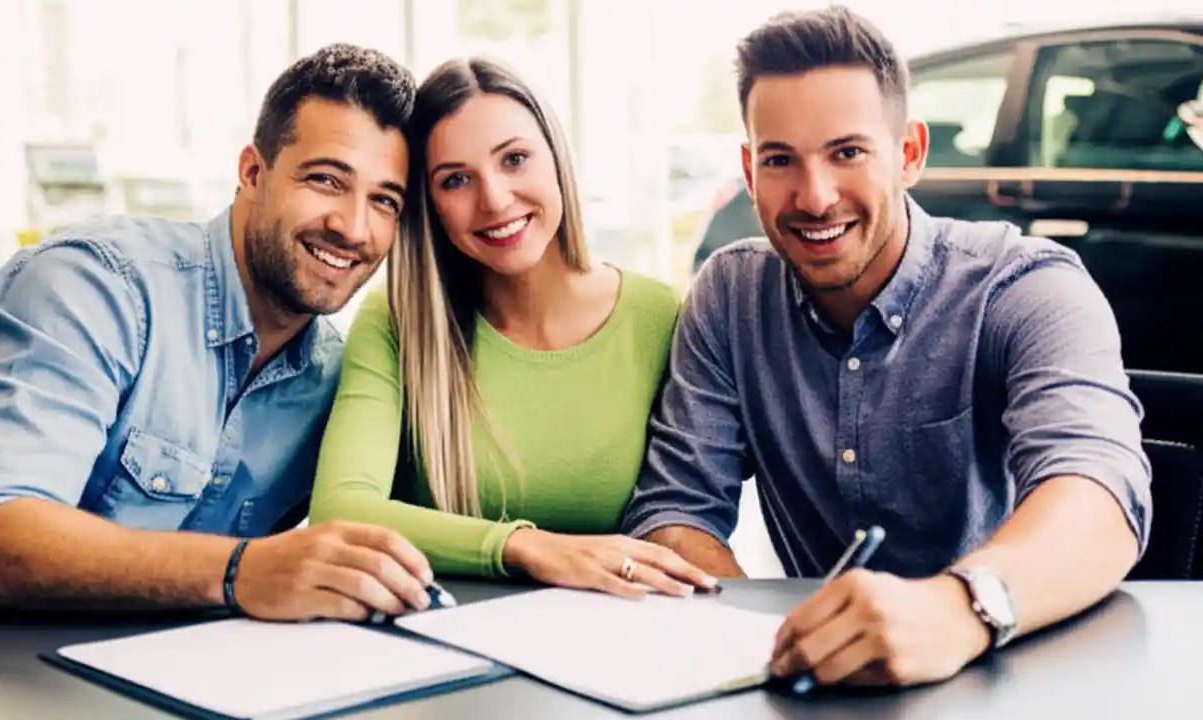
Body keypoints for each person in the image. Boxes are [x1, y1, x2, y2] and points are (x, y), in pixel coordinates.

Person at [622, 6, 1151, 687]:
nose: (814, 198)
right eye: (782, 160)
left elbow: (1101, 493)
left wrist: (960, 609)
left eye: (848, 152)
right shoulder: (728, 296)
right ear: (751, 173)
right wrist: (757, 643)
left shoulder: (1023, 285)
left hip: (1010, 671)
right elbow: (675, 510)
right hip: (824, 684)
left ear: (908, 155)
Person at [0, 44, 437, 622]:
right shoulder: (94, 287)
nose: (352, 227)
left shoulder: (331, 379)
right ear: (252, 172)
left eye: (384, 201)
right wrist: (242, 569)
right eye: (324, 180)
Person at [309, 57, 715, 598]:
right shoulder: (396, 322)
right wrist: (529, 547)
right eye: (456, 180)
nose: (495, 199)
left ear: (556, 160)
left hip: (620, 641)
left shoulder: (660, 317)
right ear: (430, 206)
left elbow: (689, 515)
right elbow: (340, 512)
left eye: (515, 160)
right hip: (439, 641)